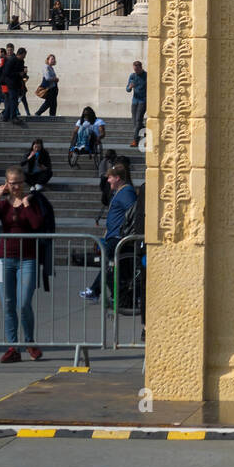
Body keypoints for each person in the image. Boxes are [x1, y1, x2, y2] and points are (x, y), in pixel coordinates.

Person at [0, 167, 45, 363]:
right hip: (4, 259)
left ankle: (29, 341)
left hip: (27, 259)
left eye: (19, 182)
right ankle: (13, 346)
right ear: (6, 183)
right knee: (8, 304)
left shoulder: (32, 201)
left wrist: (26, 205)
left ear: (24, 182)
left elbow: (37, 224)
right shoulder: (3, 204)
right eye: (12, 182)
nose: (16, 186)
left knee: (23, 303)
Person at [80, 162, 136, 304]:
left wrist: (124, 229)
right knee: (110, 266)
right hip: (113, 235)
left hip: (118, 237)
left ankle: (96, 291)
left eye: (110, 177)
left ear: (118, 178)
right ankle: (101, 292)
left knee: (108, 265)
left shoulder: (126, 192)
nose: (108, 180)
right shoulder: (121, 191)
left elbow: (132, 212)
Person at [126, 61, 147, 146]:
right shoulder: (132, 76)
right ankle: (146, 134)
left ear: (141, 67)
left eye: (137, 70)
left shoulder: (146, 75)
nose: (136, 71)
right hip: (135, 100)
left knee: (138, 120)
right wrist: (130, 87)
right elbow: (127, 89)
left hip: (143, 100)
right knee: (135, 122)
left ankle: (135, 140)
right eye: (135, 69)